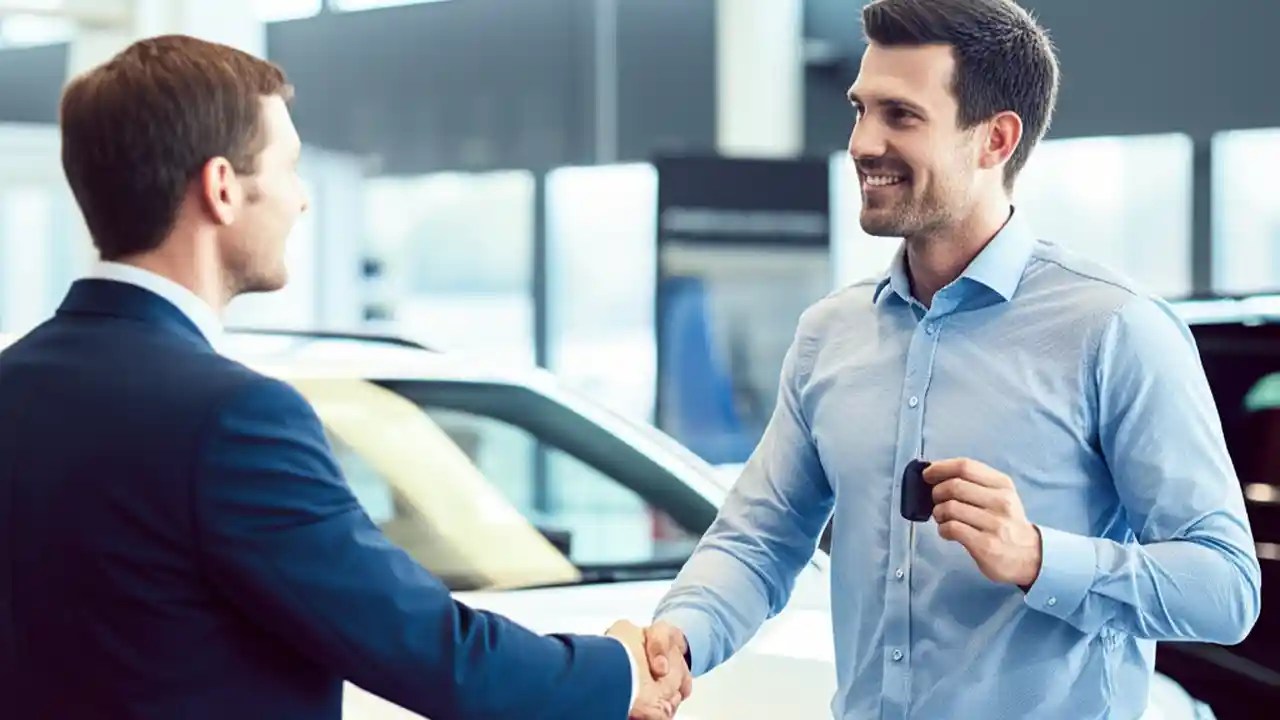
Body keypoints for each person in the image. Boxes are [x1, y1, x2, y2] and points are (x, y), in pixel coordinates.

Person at [0, 34, 686, 720]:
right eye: (289, 168)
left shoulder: (15, 384)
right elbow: (427, 649)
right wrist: (618, 671)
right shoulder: (233, 417)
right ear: (221, 188)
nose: (301, 201)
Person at [638, 0, 1262, 717]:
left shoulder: (1116, 329)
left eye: (900, 116)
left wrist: (1035, 556)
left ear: (995, 139)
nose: (863, 143)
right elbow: (759, 540)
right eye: (859, 109)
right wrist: (680, 639)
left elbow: (1225, 589)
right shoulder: (829, 336)